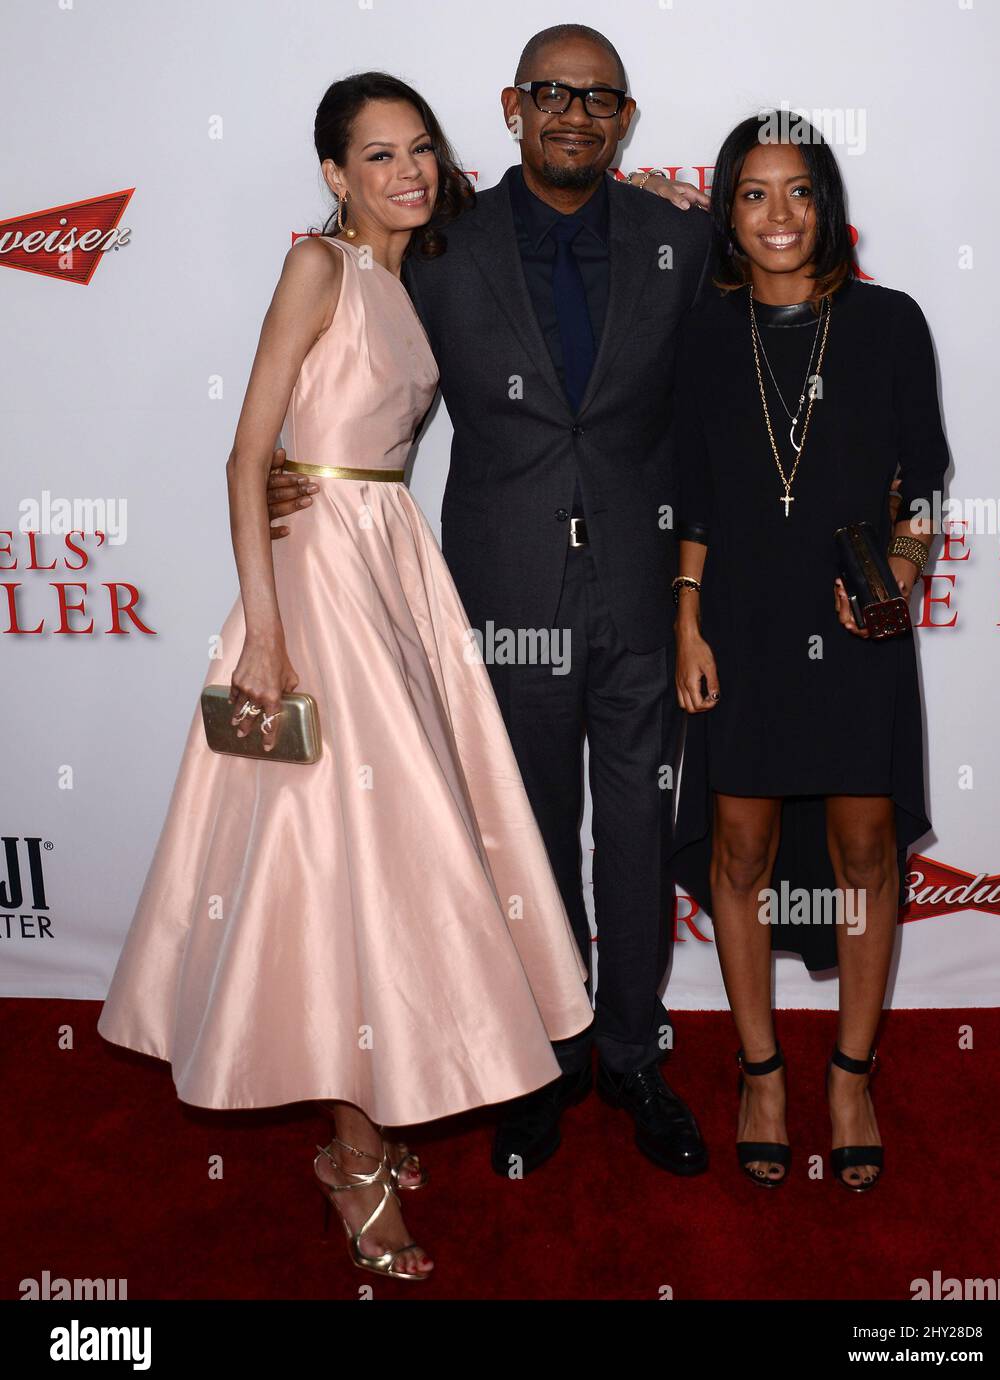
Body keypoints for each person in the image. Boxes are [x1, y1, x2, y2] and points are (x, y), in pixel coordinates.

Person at [97, 72, 594, 1282]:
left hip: (389, 568)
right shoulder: (318, 269)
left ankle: (365, 1118)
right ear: (333, 175)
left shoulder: (409, 276)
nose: (405, 172)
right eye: (376, 156)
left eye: (418, 150)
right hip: (316, 586)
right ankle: (354, 1157)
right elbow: (247, 452)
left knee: (394, 863)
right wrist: (267, 637)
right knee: (335, 876)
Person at [268, 24, 715, 1179]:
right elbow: (336, 325)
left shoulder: (679, 235)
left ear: (623, 117)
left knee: (634, 828)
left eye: (598, 98)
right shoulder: (439, 236)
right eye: (551, 94)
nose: (574, 113)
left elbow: (731, 399)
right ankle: (547, 1057)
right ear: (512, 105)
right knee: (520, 838)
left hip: (637, 579)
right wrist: (296, 469)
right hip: (497, 582)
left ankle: (631, 1051)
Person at [668, 113, 949, 1191]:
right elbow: (689, 495)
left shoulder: (887, 323)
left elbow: (919, 475)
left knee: (865, 853)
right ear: (727, 214)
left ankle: (849, 1074)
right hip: (737, 619)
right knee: (736, 850)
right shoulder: (703, 335)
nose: (778, 214)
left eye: (798, 191)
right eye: (752, 192)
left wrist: (905, 572)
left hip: (852, 617)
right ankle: (759, 1074)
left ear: (826, 205)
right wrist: (687, 618)